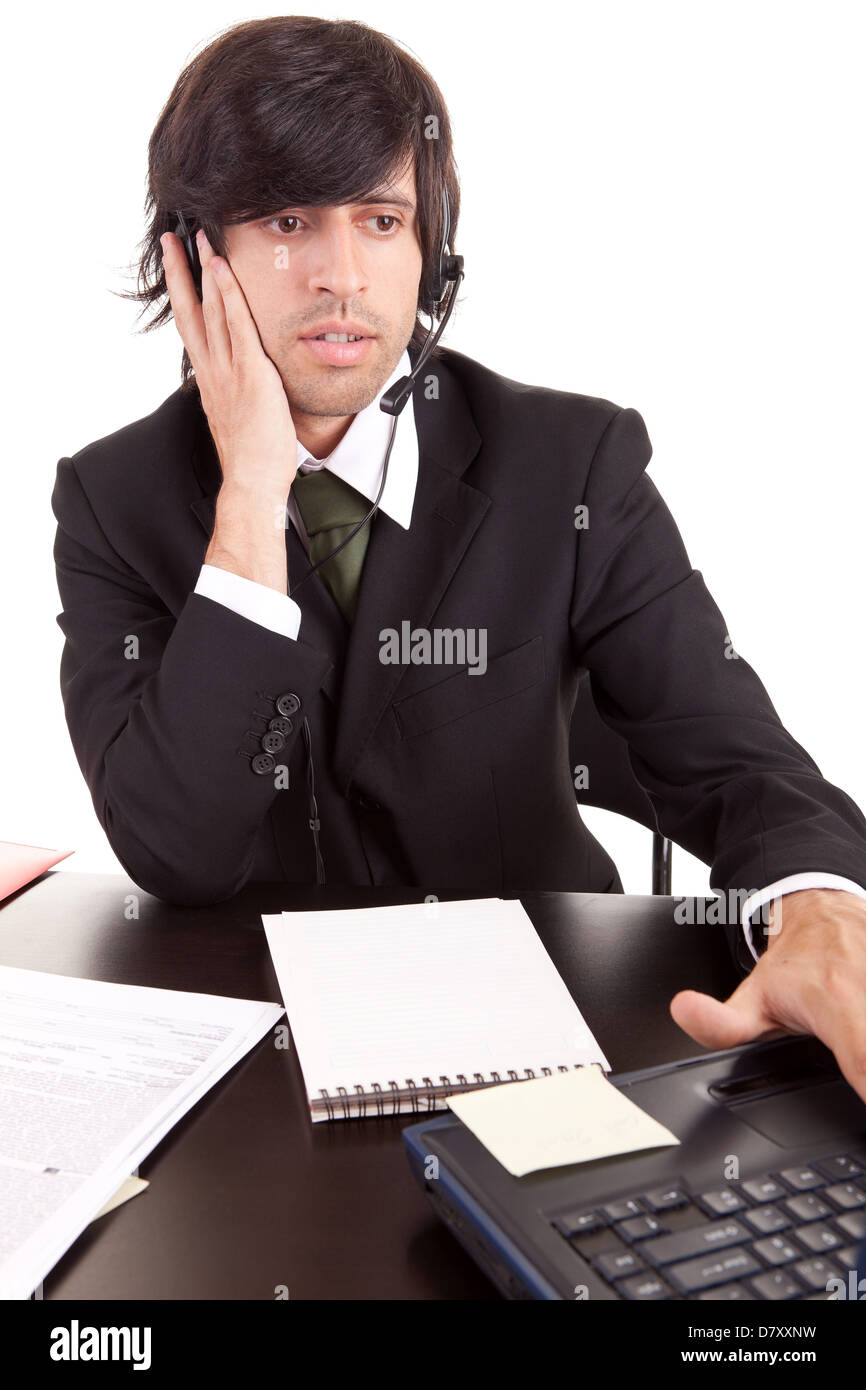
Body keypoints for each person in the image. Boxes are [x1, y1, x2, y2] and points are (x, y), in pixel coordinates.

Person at [52, 17, 866, 1111]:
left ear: (427, 247)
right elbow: (178, 849)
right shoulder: (113, 497)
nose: (341, 275)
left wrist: (821, 907)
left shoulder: (571, 460)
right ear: (197, 253)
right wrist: (249, 493)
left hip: (549, 1039)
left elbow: (732, 754)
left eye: (380, 220)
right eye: (289, 219)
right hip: (256, 1071)